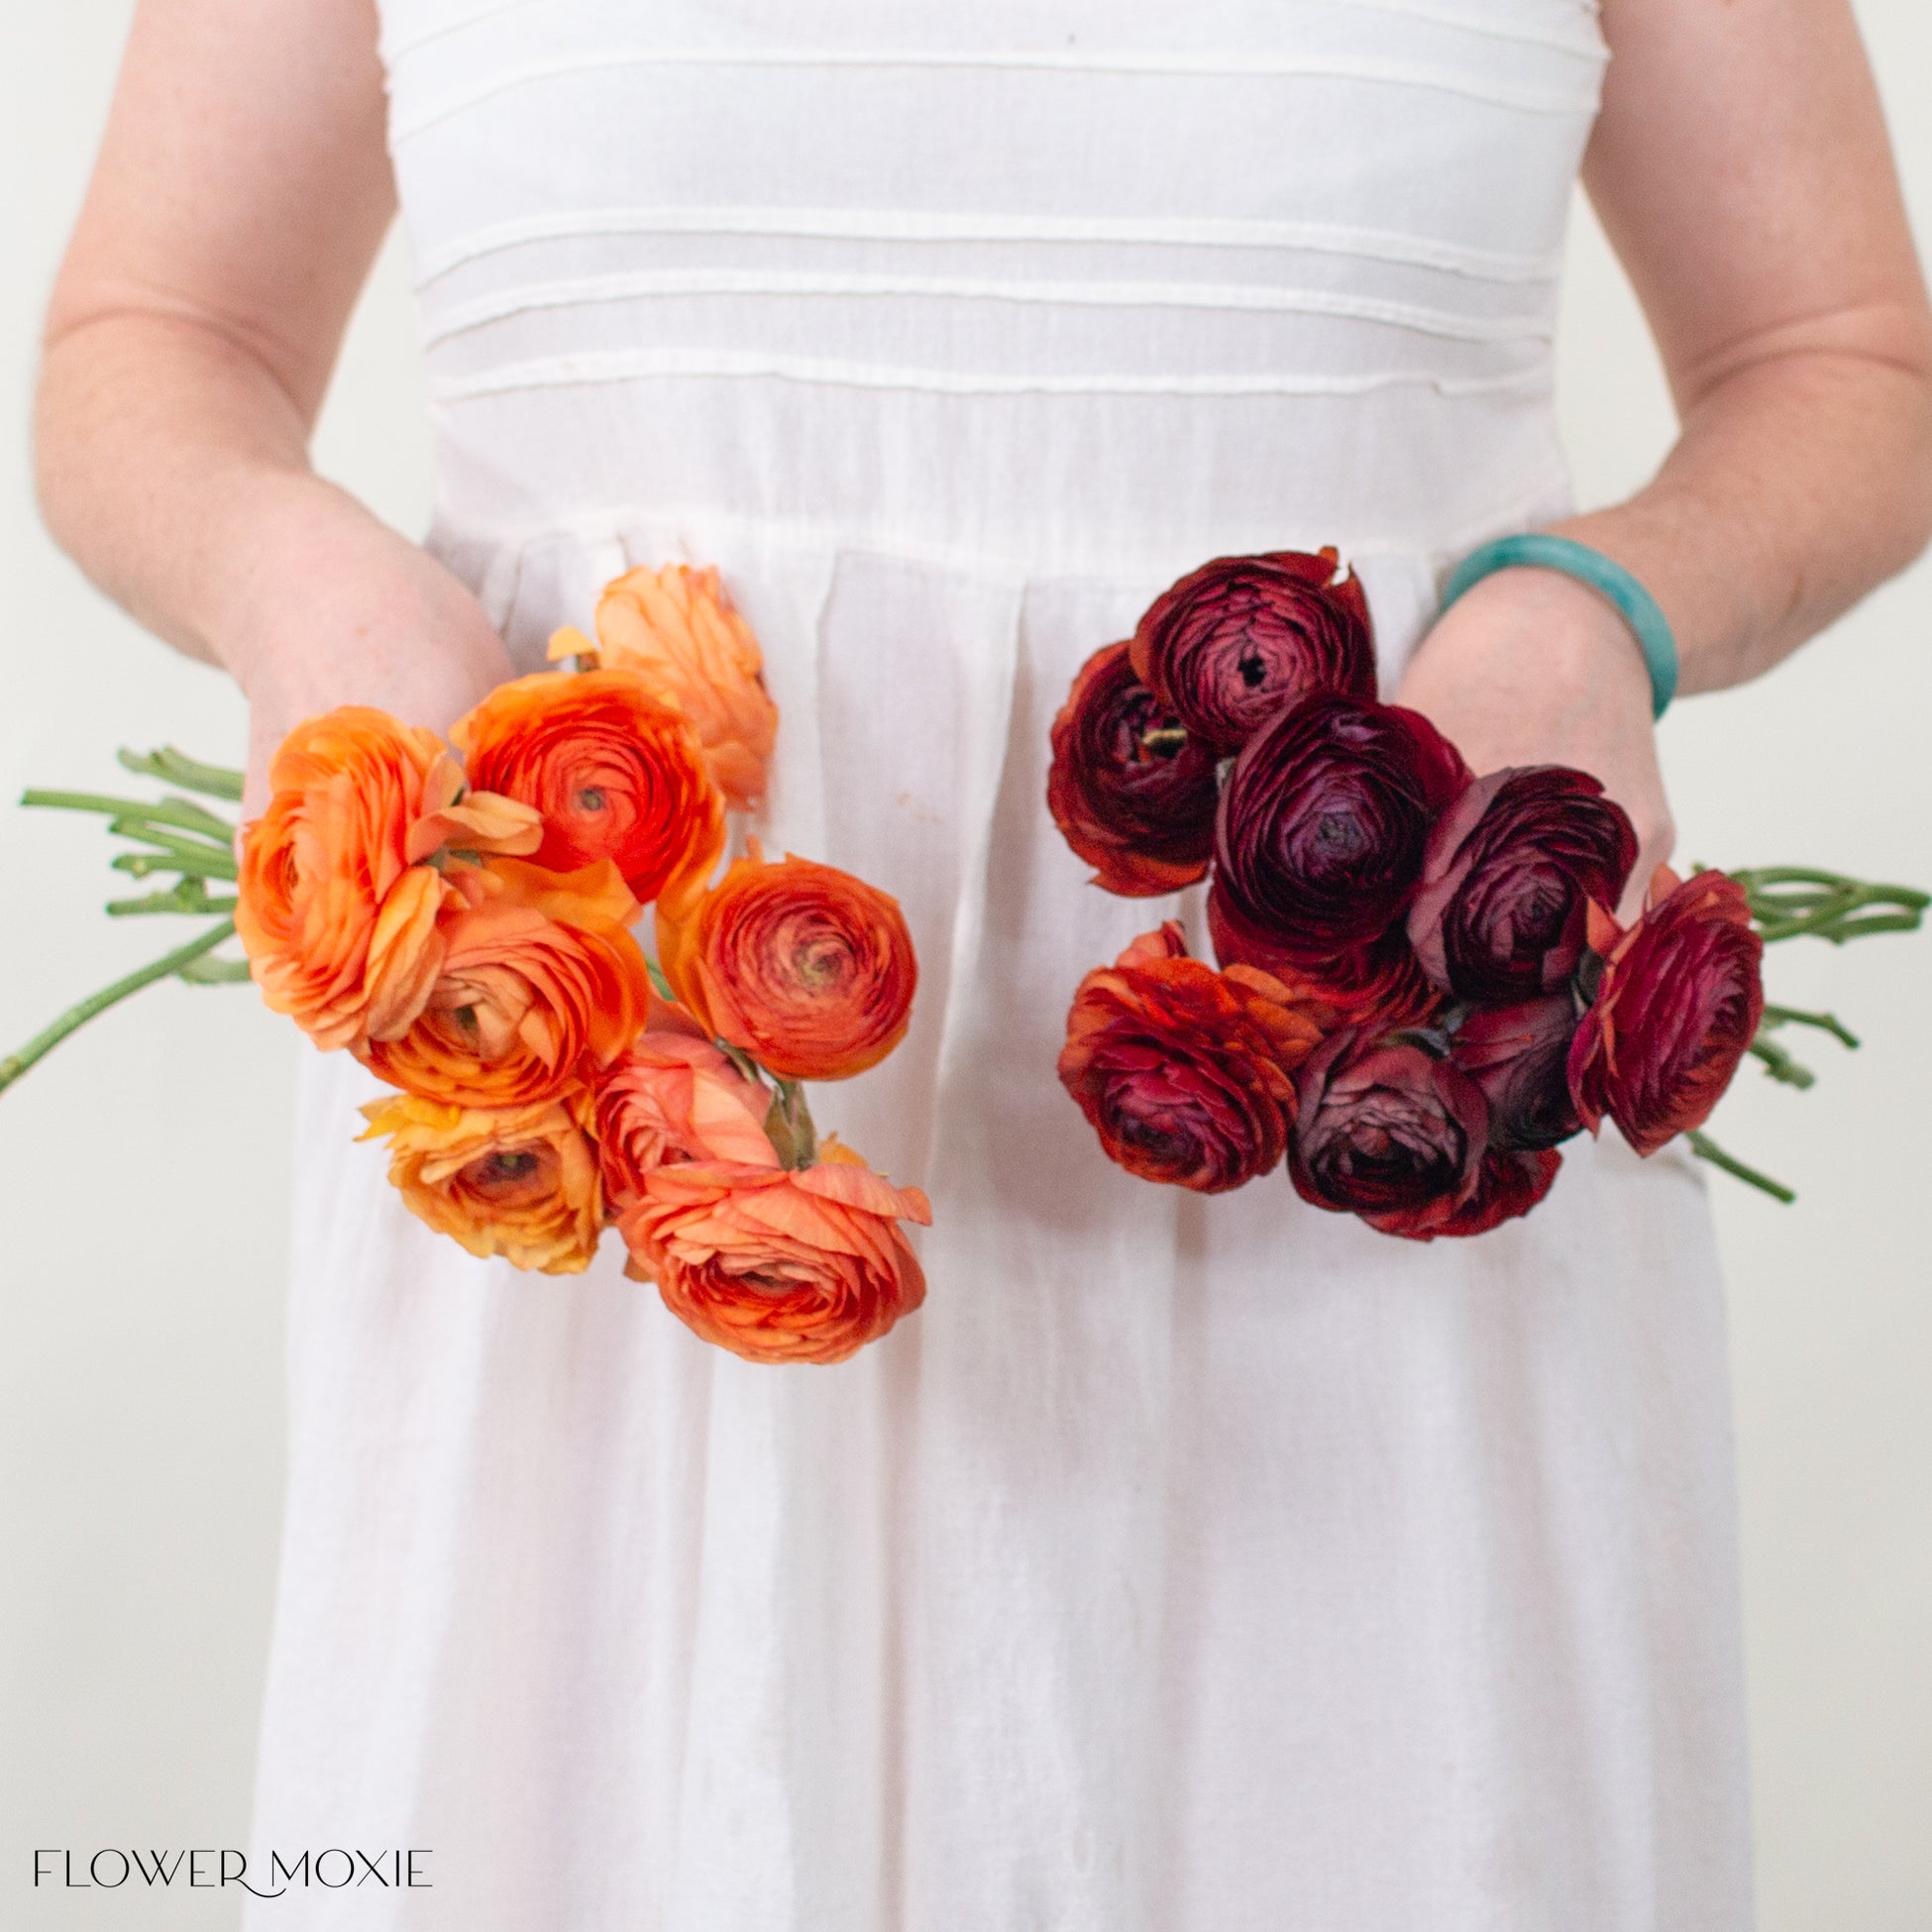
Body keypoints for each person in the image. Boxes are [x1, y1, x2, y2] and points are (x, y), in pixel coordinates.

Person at [35, 0, 1932, 1926]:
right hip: (620, 1226)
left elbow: (1842, 354)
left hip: (1374, 1196)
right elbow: (161, 344)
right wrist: (307, 597)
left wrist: (1590, 614)